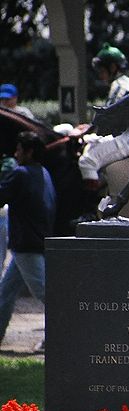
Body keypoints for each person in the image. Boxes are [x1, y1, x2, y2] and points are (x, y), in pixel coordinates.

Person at [0, 132, 56, 352]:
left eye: (19, 150)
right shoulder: (44, 173)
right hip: (37, 241)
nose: (16, 154)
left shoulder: (20, 174)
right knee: (6, 291)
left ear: (29, 151)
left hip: (26, 245)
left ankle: (62, 336)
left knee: (47, 296)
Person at [79, 43, 129, 185]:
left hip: (128, 138)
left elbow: (105, 117)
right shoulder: (127, 82)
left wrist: (85, 131)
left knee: (86, 162)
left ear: (112, 67)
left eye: (101, 70)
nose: (100, 75)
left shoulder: (119, 86)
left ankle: (96, 200)